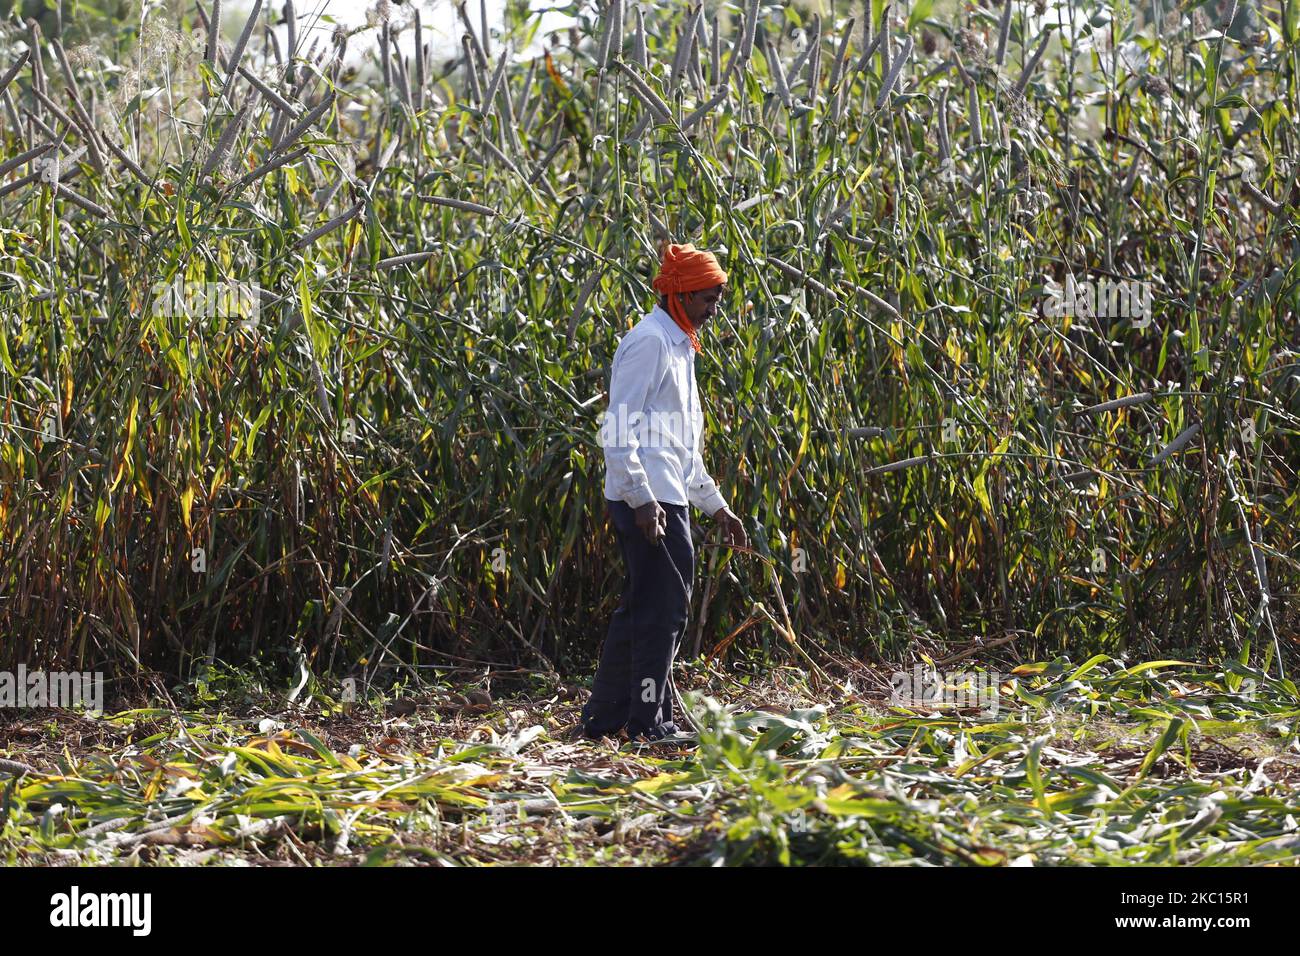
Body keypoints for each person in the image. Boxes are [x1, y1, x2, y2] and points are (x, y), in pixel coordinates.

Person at [580, 242, 748, 742]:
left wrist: (716, 506)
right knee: (665, 612)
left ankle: (604, 720)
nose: (714, 308)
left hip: (665, 494)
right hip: (650, 501)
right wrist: (641, 499)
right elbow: (618, 429)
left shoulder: (679, 346)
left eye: (717, 296)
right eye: (707, 297)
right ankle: (651, 723)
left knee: (641, 608)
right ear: (679, 293)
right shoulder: (650, 342)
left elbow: (680, 445)